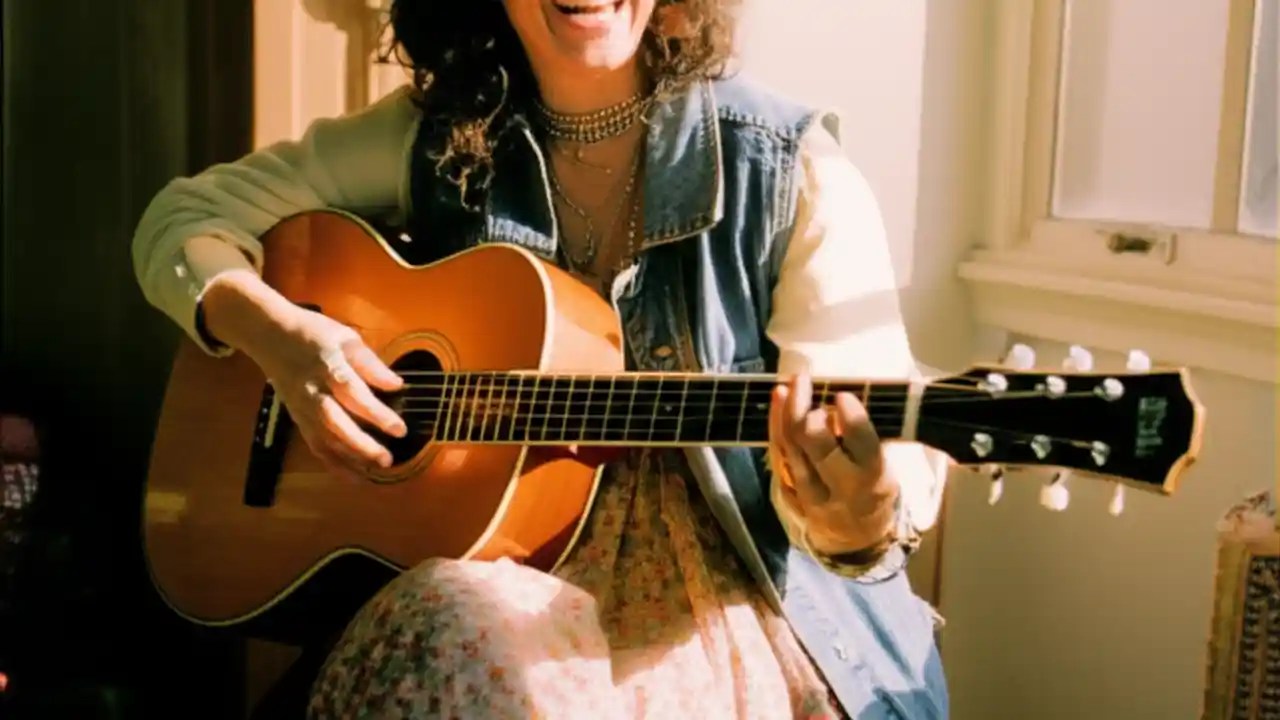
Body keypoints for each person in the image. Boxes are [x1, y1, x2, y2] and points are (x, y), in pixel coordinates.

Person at [131, 0, 951, 717]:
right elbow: (183, 218)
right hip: (492, 581)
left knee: (452, 630)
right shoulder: (435, 139)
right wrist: (281, 339)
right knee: (452, 619)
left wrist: (855, 511)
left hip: (710, 613)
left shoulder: (792, 169)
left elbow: (861, 514)